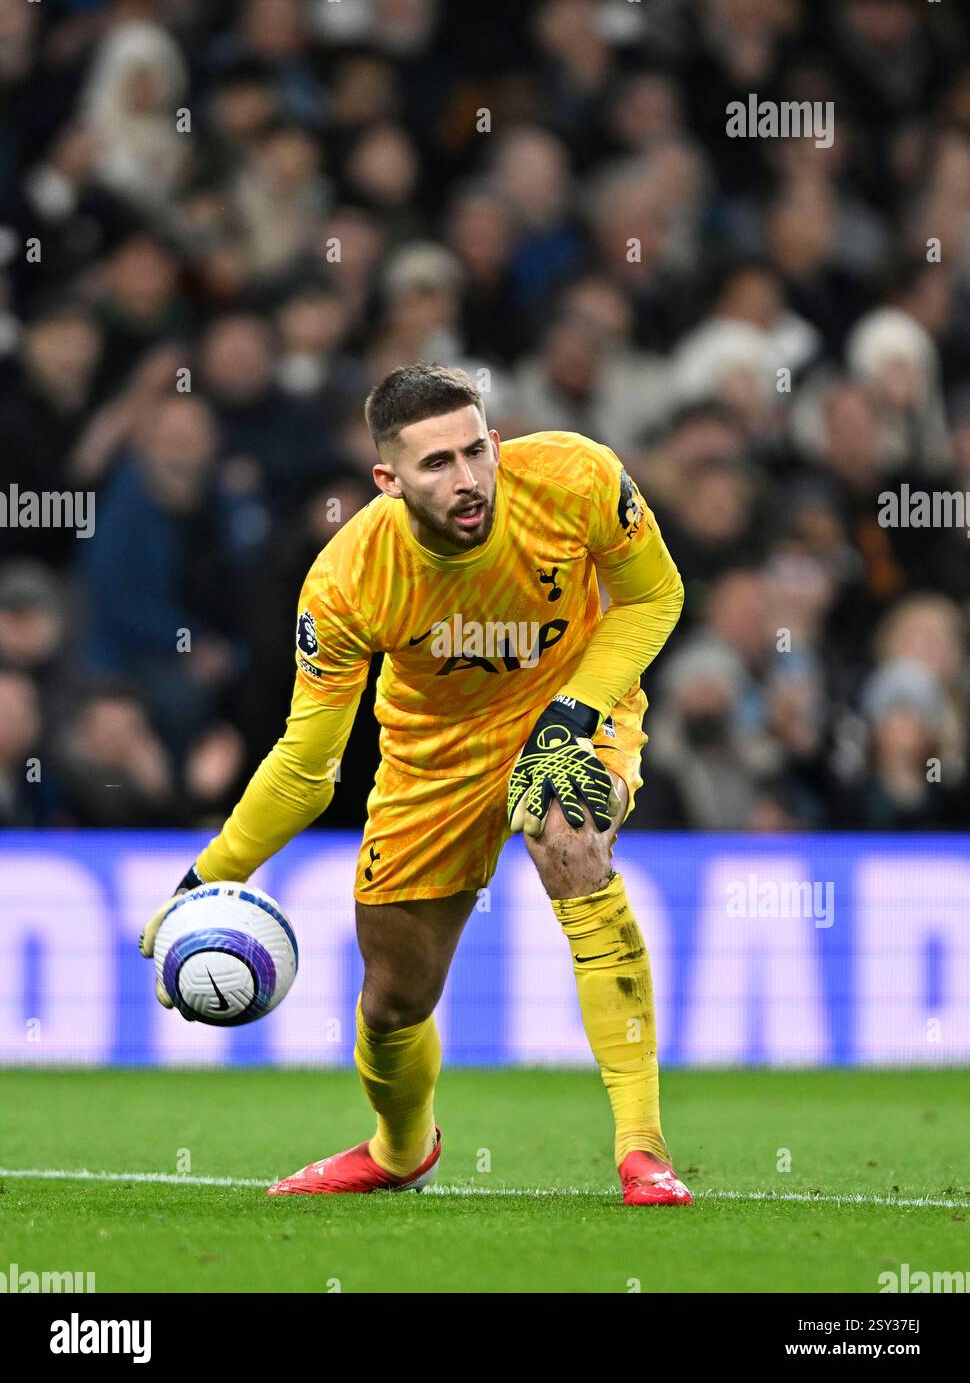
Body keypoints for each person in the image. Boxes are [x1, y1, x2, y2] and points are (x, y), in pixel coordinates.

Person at [139, 363, 690, 1207]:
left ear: (496, 442)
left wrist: (572, 713)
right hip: (434, 758)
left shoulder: (579, 477)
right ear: (387, 481)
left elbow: (654, 597)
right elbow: (306, 766)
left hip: (574, 706)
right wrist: (209, 874)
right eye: (436, 465)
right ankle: (401, 1151)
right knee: (393, 1003)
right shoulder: (348, 578)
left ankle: (642, 1150)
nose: (468, 480)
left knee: (568, 830)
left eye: (476, 451)